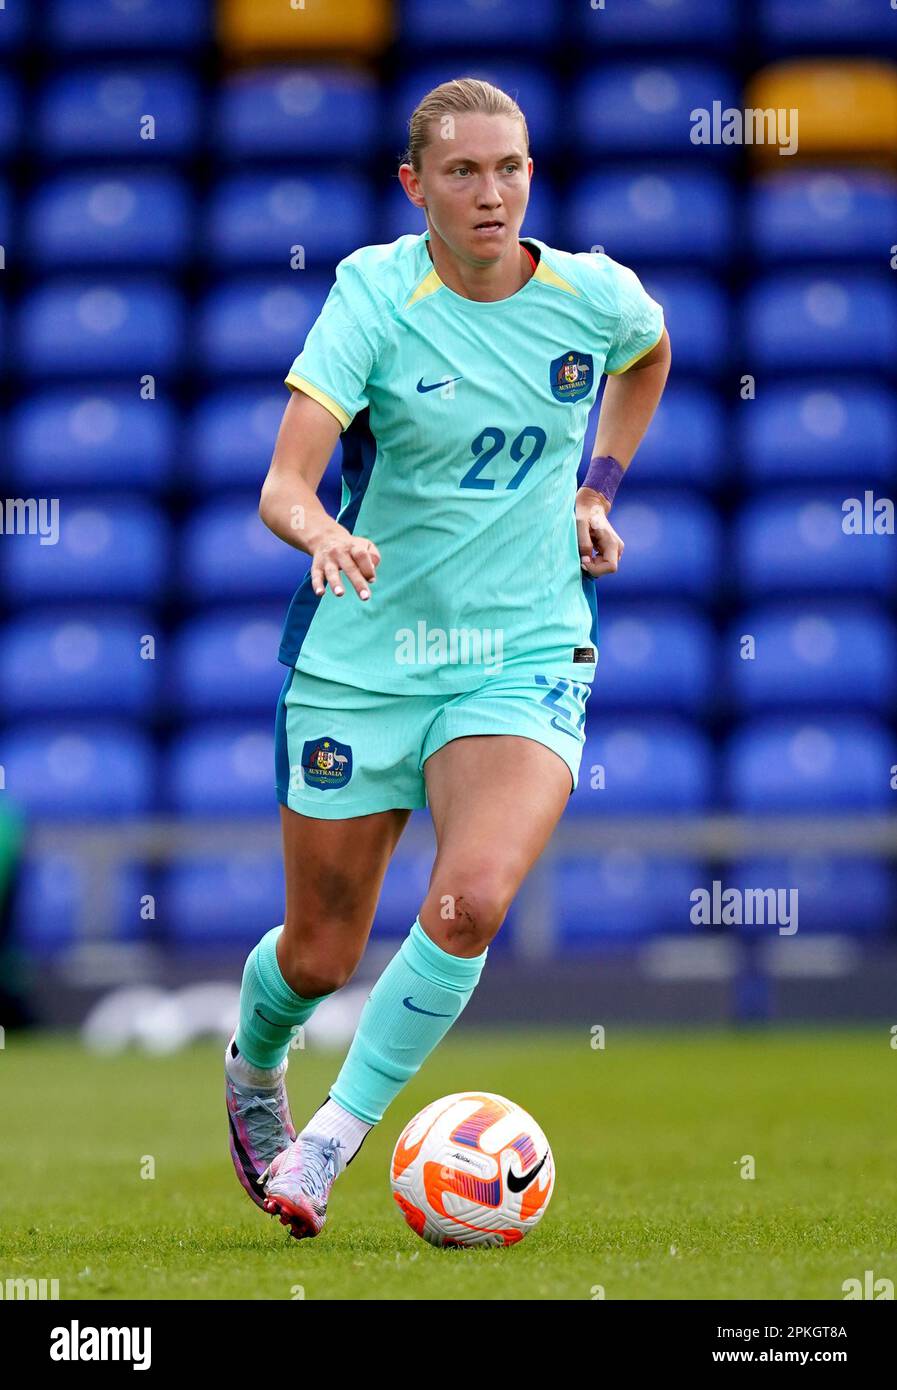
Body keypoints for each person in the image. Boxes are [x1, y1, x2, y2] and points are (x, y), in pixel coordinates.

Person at [225, 77, 671, 1239]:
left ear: (533, 174)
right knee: (320, 957)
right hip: (366, 655)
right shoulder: (375, 295)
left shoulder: (592, 293)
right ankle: (254, 1059)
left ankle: (327, 1144)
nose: (491, 192)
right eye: (464, 172)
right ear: (414, 185)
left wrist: (597, 486)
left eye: (510, 167)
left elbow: (650, 352)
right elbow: (284, 482)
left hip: (518, 649)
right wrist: (322, 528)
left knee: (468, 902)